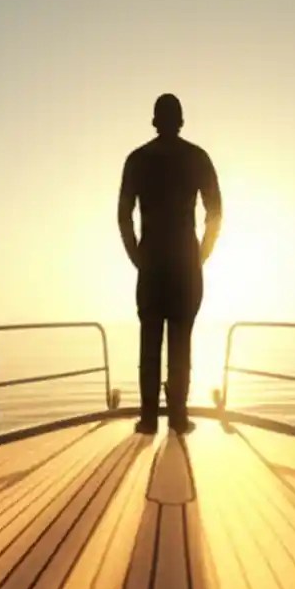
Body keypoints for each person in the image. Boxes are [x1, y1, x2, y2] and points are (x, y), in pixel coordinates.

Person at [118, 93, 223, 435]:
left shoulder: (137, 159)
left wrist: (138, 257)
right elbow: (215, 213)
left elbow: (123, 216)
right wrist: (201, 254)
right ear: (180, 121)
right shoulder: (196, 158)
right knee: (181, 342)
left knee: (150, 342)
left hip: (151, 264)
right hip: (184, 264)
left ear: (154, 120)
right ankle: (177, 416)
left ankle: (149, 418)